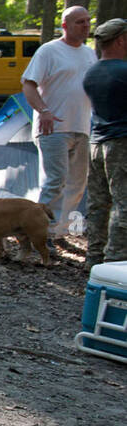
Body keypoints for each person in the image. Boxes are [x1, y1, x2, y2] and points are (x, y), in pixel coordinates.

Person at [21, 6, 97, 244]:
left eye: (87, 21)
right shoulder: (49, 51)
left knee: (77, 182)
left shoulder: (90, 54)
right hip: (52, 128)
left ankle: (59, 231)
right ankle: (41, 233)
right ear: (65, 25)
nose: (86, 26)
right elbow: (29, 85)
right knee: (55, 180)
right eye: (79, 22)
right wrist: (43, 111)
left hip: (82, 126)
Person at [81, 17, 127, 268]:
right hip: (120, 144)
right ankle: (116, 260)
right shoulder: (123, 72)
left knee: (98, 203)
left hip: (96, 143)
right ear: (121, 39)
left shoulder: (92, 72)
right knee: (123, 203)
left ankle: (94, 257)